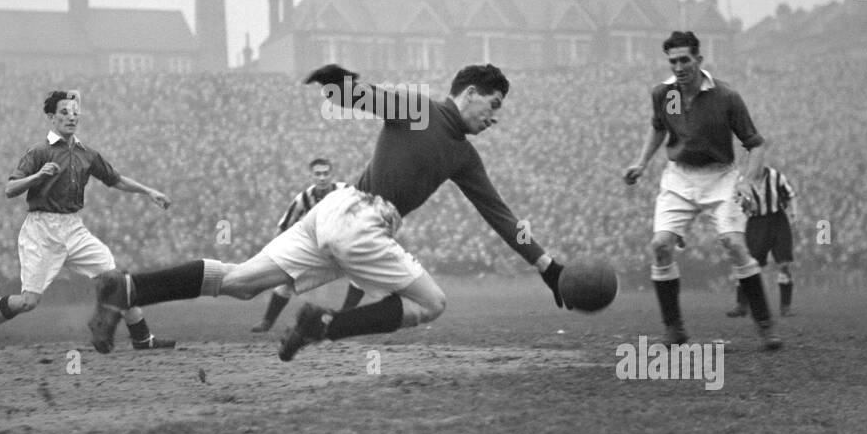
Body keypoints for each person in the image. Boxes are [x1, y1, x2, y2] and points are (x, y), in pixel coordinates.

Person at [88, 63, 567, 361]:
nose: (494, 116)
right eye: (494, 103)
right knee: (432, 304)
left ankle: (128, 288)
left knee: (240, 284)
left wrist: (547, 266)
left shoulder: (463, 154)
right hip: (359, 219)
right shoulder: (422, 109)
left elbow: (499, 215)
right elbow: (371, 98)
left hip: (333, 214)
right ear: (469, 93)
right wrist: (341, 84)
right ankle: (324, 326)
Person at [0, 90, 172, 357]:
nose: (71, 117)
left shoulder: (86, 154)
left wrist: (149, 191)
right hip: (41, 231)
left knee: (116, 281)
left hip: (73, 227)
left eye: (74, 112)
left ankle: (142, 338)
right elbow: (10, 189)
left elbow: (115, 179)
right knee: (28, 302)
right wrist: (37, 176)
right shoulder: (39, 151)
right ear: (51, 117)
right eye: (64, 112)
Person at [623, 31, 781, 350]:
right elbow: (658, 127)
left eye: (684, 60)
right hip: (679, 178)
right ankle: (674, 328)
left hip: (721, 177)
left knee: (734, 244)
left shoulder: (726, 97)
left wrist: (748, 182)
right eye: (673, 61)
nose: (679, 67)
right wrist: (640, 163)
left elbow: (756, 145)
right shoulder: (665, 94)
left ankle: (765, 326)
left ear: (699, 60)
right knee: (660, 246)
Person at [250, 156, 364, 333]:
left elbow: (364, 210)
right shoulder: (303, 199)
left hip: (342, 247)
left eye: (326, 173)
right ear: (311, 176)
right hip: (315, 250)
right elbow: (284, 226)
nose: (322, 177)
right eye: (317, 174)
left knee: (362, 274)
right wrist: (275, 253)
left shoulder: (346, 191)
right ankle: (267, 322)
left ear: (331, 174)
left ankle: (344, 318)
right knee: (287, 282)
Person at [727, 164, 797, 318]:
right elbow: (737, 203)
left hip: (778, 220)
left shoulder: (776, 177)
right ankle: (742, 305)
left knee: (784, 264)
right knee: (748, 263)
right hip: (756, 222)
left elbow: (790, 195)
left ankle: (785, 307)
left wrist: (793, 215)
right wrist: (743, 206)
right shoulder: (743, 181)